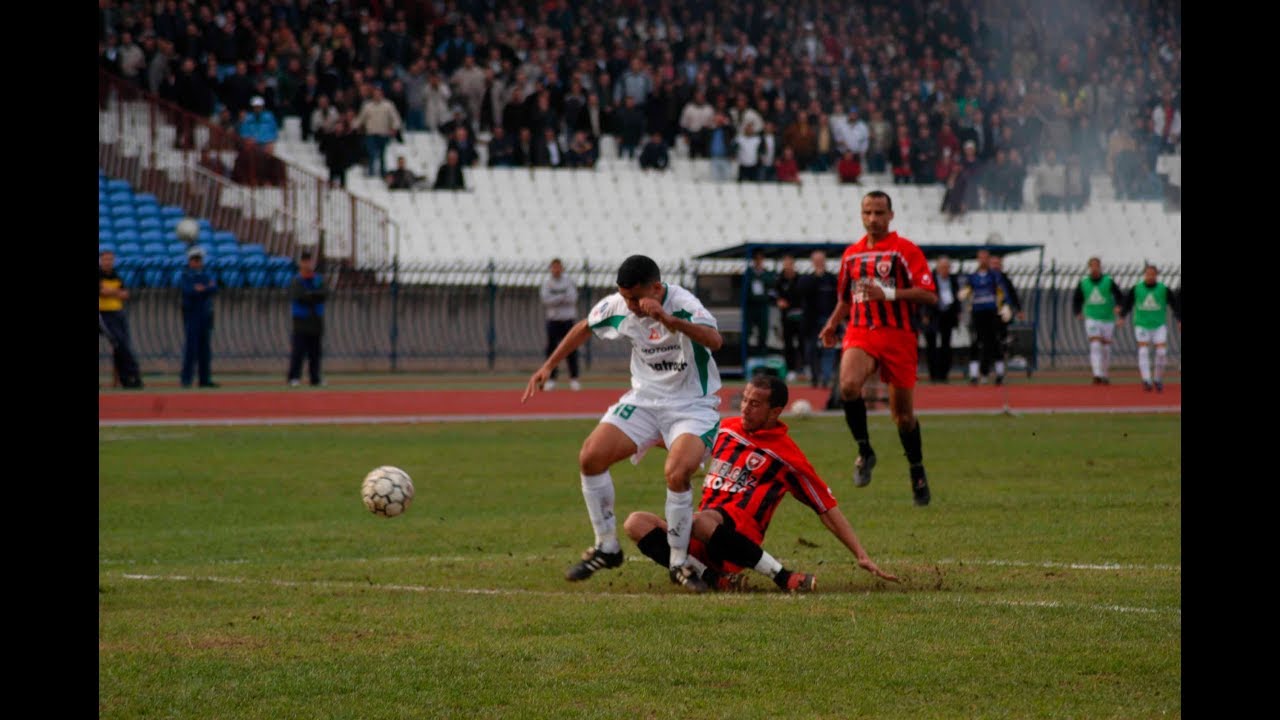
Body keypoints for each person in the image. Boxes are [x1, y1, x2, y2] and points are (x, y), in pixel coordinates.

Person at [522, 255, 725, 592]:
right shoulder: (619, 305)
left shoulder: (684, 303)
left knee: (677, 472)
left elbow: (715, 341)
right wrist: (548, 367)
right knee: (591, 456)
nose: (628, 306)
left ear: (657, 289)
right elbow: (584, 327)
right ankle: (607, 546)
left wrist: (671, 320)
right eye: (624, 297)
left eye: (635, 298)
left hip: (692, 405)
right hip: (644, 401)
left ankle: (679, 563)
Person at [623, 375, 900, 592]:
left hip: (737, 543)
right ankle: (709, 577)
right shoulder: (725, 429)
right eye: (744, 400)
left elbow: (826, 507)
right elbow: (684, 444)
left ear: (775, 411)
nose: (745, 408)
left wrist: (861, 554)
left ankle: (782, 576)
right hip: (699, 533)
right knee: (636, 523)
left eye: (754, 404)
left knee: (700, 520)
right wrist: (641, 438)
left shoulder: (787, 456)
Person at [819, 191, 938, 506]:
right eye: (868, 213)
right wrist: (832, 324)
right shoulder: (852, 255)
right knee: (847, 385)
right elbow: (846, 297)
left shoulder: (904, 250)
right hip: (861, 331)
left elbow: (929, 295)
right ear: (861, 215)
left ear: (891, 215)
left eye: (879, 213)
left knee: (903, 417)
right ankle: (865, 449)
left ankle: (916, 469)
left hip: (899, 336)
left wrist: (886, 292)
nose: (873, 219)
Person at [962, 249, 1017, 385]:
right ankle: (974, 375)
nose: (983, 261)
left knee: (994, 341)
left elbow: (1003, 291)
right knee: (976, 341)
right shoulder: (973, 277)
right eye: (981, 258)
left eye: (986, 258)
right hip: (977, 312)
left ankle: (999, 374)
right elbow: (966, 291)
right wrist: (964, 294)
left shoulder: (994, 276)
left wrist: (1006, 306)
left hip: (992, 312)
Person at [1122, 265, 1181, 392]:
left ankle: (1158, 379)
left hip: (1159, 325)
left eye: (1153, 274)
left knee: (1161, 353)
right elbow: (1128, 303)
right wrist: (1122, 316)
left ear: (1156, 275)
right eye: (1148, 274)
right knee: (1143, 350)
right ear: (1144, 275)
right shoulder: (1137, 289)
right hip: (1142, 324)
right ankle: (1146, 380)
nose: (1150, 276)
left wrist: (1179, 319)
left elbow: (1175, 305)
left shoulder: (1163, 289)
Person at [1071, 257, 1126, 385]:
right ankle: (1097, 374)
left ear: (1100, 267)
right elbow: (1076, 299)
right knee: (1095, 344)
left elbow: (1119, 296)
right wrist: (1077, 311)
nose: (1094, 268)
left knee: (1106, 348)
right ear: (1089, 267)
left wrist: (1118, 306)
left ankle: (1105, 374)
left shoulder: (1108, 281)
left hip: (1107, 318)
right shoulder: (1083, 282)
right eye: (1092, 266)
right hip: (1091, 317)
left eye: (1097, 266)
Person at [99, 249, 143, 389]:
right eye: (105, 259)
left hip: (117, 313)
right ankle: (131, 373)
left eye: (110, 259)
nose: (108, 262)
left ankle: (128, 378)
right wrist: (115, 292)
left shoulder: (116, 275)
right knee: (117, 341)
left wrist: (113, 292)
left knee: (123, 344)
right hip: (103, 313)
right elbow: (103, 293)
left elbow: (125, 294)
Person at [287, 250, 328, 387]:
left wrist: (311, 295)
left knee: (315, 352)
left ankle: (315, 377)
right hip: (301, 320)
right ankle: (294, 377)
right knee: (298, 351)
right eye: (305, 261)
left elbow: (324, 294)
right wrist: (312, 296)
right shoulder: (296, 280)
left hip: (316, 319)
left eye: (310, 261)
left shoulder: (318, 279)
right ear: (301, 263)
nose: (308, 264)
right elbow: (299, 296)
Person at [539, 258, 581, 391]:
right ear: (551, 268)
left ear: (562, 268)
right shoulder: (547, 283)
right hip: (553, 320)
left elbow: (573, 298)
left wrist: (556, 299)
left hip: (568, 320)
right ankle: (551, 379)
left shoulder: (568, 281)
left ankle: (574, 378)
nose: (556, 270)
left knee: (571, 349)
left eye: (558, 267)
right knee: (552, 351)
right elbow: (546, 300)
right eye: (554, 267)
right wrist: (561, 298)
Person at [179, 245, 218, 388]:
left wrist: (202, 289)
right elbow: (189, 291)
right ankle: (186, 379)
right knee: (191, 348)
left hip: (205, 314)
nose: (197, 262)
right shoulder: (186, 275)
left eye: (199, 259)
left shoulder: (205, 274)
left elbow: (213, 288)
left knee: (205, 349)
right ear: (190, 261)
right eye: (195, 259)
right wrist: (204, 289)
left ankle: (204, 379)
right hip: (192, 314)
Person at [799, 250, 839, 388]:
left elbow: (839, 299)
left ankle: (826, 379)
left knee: (828, 350)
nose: (819, 263)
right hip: (812, 323)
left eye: (821, 260)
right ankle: (815, 377)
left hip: (829, 321)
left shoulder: (832, 279)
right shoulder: (806, 279)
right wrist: (816, 277)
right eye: (816, 260)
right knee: (811, 351)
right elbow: (802, 292)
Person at [921, 255, 960, 383]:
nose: (945, 270)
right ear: (937, 268)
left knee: (946, 345)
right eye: (942, 267)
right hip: (933, 315)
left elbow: (957, 297)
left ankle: (944, 375)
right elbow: (924, 296)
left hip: (947, 315)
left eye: (947, 267)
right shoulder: (929, 279)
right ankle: (933, 375)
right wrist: (925, 314)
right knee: (931, 345)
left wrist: (958, 312)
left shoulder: (953, 280)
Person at [773, 253, 806, 382]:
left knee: (802, 343)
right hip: (786, 318)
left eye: (790, 263)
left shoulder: (800, 279)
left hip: (800, 317)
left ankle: (803, 369)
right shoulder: (779, 280)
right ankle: (791, 370)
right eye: (786, 263)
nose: (788, 266)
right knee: (788, 344)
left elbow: (804, 296)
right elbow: (773, 295)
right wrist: (778, 301)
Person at [743, 249, 776, 356]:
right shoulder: (749, 274)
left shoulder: (767, 274)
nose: (758, 261)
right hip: (751, 306)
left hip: (763, 306)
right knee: (748, 331)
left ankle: (762, 354)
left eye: (760, 259)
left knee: (763, 331)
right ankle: (747, 354)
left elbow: (772, 286)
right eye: (756, 259)